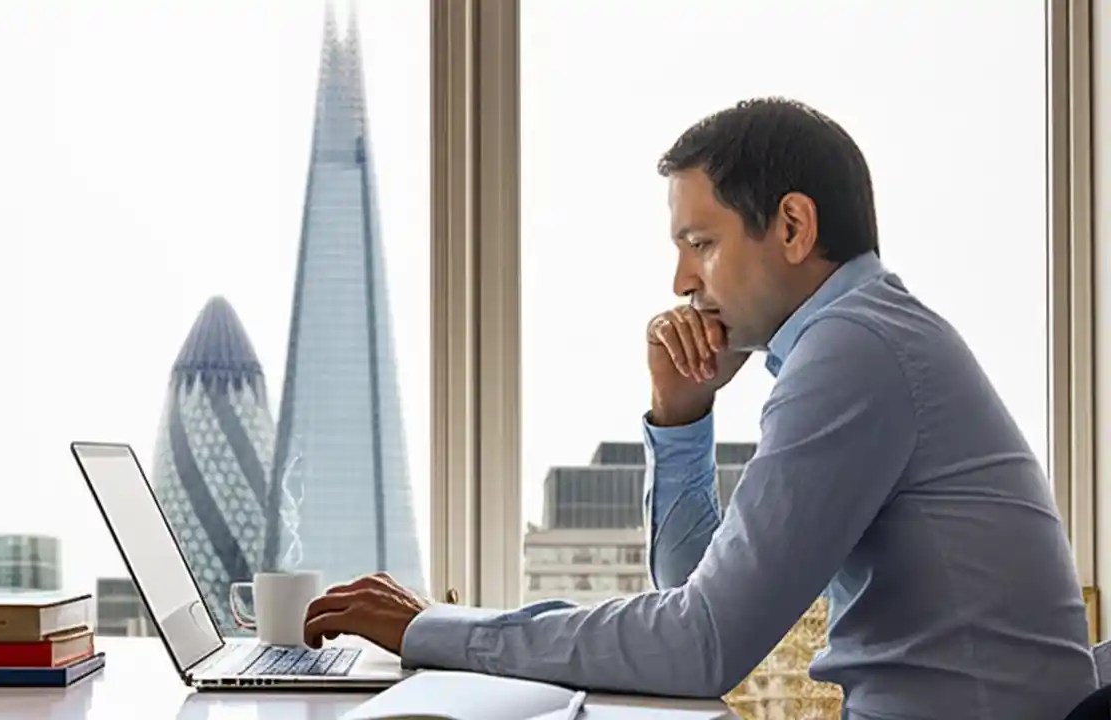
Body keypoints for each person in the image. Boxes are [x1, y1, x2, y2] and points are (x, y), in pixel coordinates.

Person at [303, 97, 1098, 719]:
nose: (682, 281)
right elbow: (700, 598)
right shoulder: (864, 337)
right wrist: (680, 418)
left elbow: (702, 646)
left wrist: (430, 630)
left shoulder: (856, 350)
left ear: (791, 225)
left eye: (702, 242)